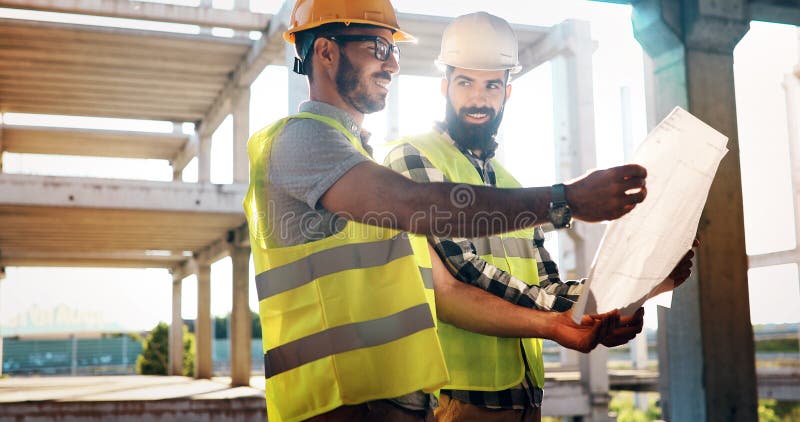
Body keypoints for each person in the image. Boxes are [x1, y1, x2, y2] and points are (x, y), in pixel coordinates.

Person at [242, 1, 651, 421]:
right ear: (326, 52)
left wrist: (576, 314)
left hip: (398, 406)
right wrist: (564, 200)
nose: (394, 65)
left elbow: (448, 292)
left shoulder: (364, 165)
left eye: (394, 51)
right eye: (380, 48)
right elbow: (421, 207)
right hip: (331, 406)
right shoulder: (299, 142)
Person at [384, 12, 696, 422]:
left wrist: (636, 286)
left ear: (507, 92)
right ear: (444, 87)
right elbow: (463, 272)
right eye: (465, 82)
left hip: (525, 400)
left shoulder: (511, 183)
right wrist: (569, 316)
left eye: (492, 84)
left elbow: (545, 284)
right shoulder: (412, 158)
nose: (478, 98)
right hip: (455, 401)